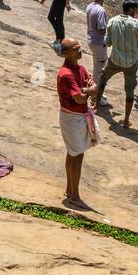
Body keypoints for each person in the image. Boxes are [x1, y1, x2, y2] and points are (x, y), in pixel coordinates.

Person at [57, 37, 100, 210]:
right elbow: (80, 98)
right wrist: (88, 91)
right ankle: (74, 195)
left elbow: (94, 88)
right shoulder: (66, 74)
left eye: (80, 47)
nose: (80, 50)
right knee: (77, 155)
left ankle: (70, 190)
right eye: (75, 49)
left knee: (72, 153)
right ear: (66, 53)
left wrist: (86, 91)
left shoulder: (80, 69)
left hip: (77, 116)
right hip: (72, 117)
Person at [96, 0, 138, 128]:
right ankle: (126, 120)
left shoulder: (113, 21)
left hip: (115, 60)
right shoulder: (136, 23)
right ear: (131, 10)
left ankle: (95, 107)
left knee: (102, 80)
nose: (137, 11)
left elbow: (107, 42)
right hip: (131, 64)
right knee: (129, 91)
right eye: (136, 9)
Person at [85, 0, 108, 91]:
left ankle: (93, 89)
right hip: (98, 42)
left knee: (97, 66)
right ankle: (96, 93)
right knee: (99, 69)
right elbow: (102, 29)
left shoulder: (90, 6)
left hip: (90, 39)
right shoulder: (101, 10)